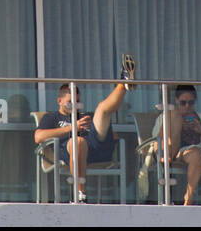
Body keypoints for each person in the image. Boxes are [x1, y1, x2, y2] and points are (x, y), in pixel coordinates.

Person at [34, 55, 137, 203]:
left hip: (96, 148)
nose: (74, 106)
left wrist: (101, 129)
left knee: (101, 109)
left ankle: (124, 82)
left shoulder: (84, 115)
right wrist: (72, 128)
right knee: (78, 142)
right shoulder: (52, 117)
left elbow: (113, 136)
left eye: (77, 102)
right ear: (59, 101)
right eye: (70, 103)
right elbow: (38, 137)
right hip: (69, 151)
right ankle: (79, 192)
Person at [147, 84, 201, 206]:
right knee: (174, 115)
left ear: (195, 102)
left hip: (190, 151)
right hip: (167, 151)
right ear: (176, 100)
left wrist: (200, 130)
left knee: (196, 153)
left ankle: (189, 198)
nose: (187, 107)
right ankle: (169, 154)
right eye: (183, 103)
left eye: (190, 103)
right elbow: (156, 139)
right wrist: (177, 127)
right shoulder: (165, 117)